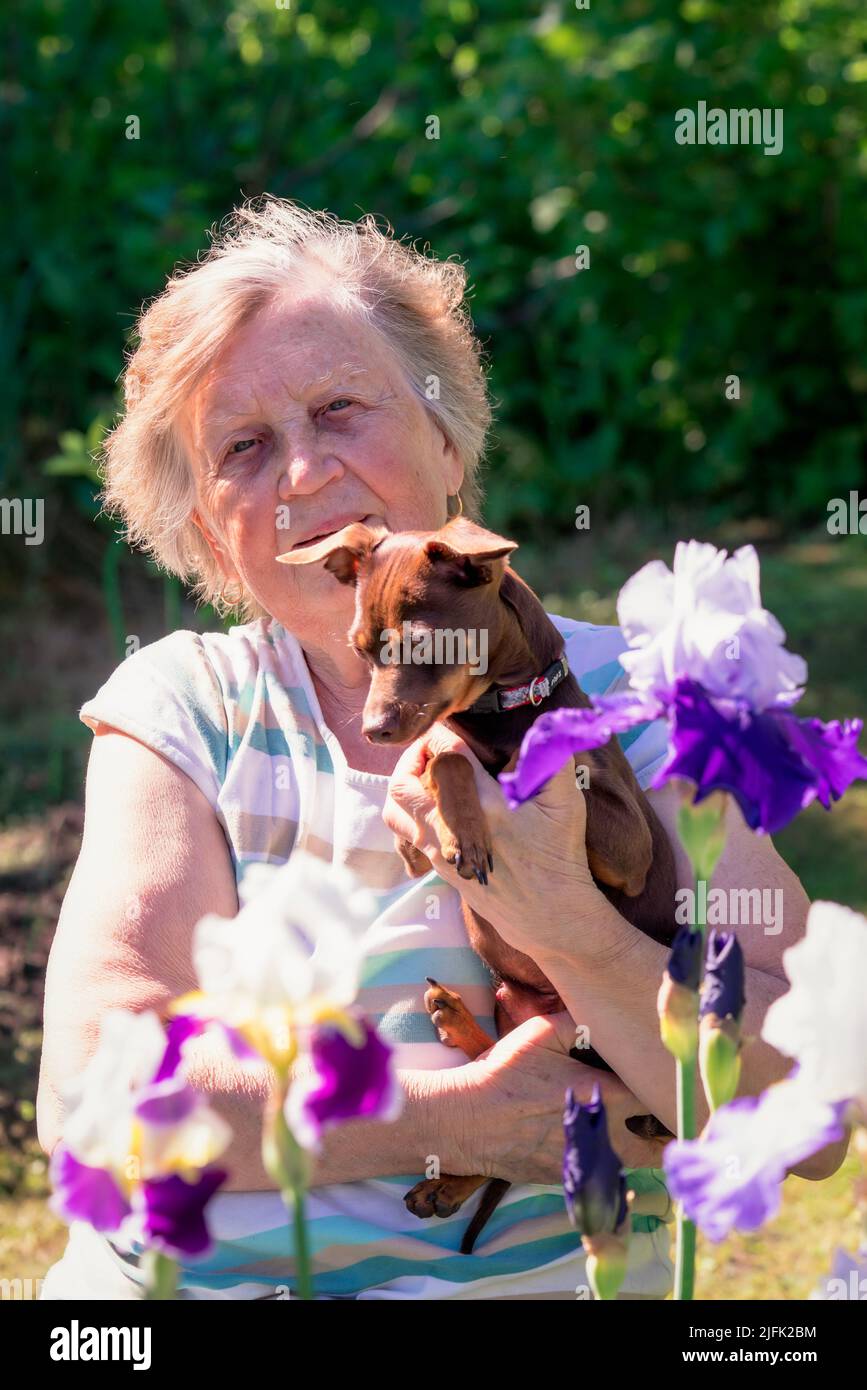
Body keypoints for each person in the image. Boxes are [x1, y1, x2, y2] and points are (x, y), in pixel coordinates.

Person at [37, 196, 845, 1300]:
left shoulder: (637, 694)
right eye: (244, 446)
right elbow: (93, 1100)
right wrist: (456, 1121)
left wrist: (567, 924)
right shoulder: (183, 708)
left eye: (339, 408)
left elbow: (812, 1112)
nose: (305, 473)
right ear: (199, 526)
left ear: (449, 434)